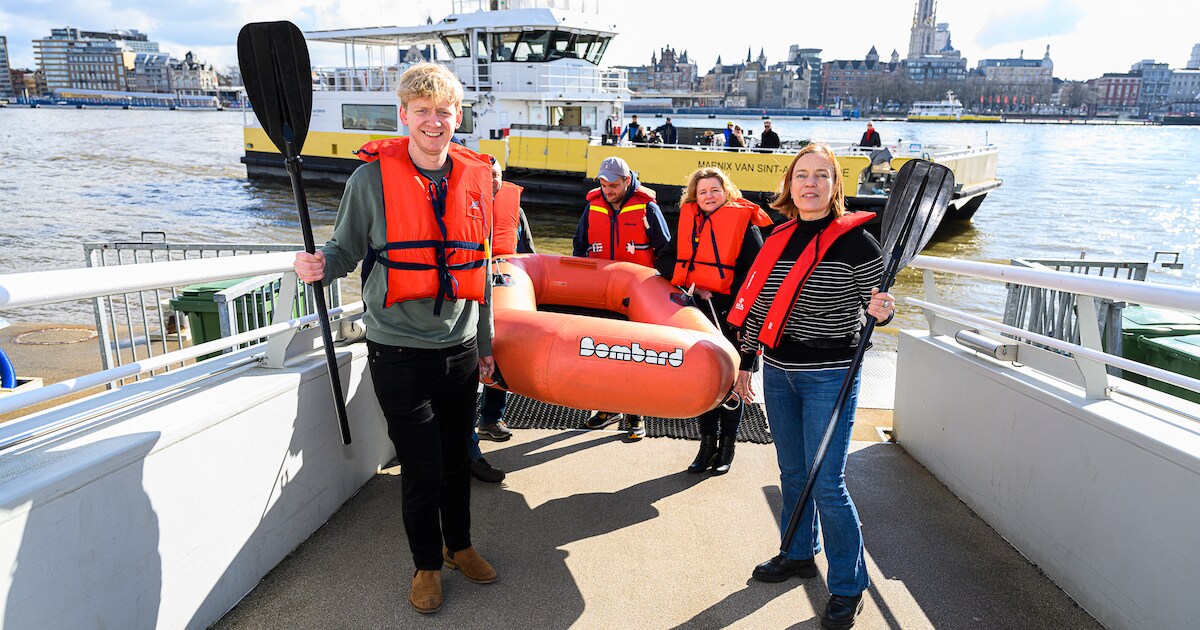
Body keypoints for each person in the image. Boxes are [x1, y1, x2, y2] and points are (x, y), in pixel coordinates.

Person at [292, 62, 499, 615]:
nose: (434, 122)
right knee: (422, 467)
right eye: (422, 111)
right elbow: (344, 250)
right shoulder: (369, 182)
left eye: (444, 112)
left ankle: (459, 546)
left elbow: (479, 270)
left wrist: (485, 344)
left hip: (460, 348)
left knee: (456, 459)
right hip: (399, 351)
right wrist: (319, 266)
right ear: (404, 115)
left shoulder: (479, 178)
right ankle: (426, 565)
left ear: (458, 116)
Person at [728, 142, 894, 630]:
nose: (810, 183)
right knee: (793, 471)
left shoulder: (858, 244)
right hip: (779, 371)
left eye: (822, 175)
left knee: (827, 483)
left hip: (830, 374)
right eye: (802, 174)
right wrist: (746, 362)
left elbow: (879, 307)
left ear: (835, 185)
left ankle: (848, 586)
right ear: (790, 184)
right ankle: (798, 552)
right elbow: (759, 306)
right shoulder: (777, 236)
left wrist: (884, 311)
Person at [655, 167, 772, 475]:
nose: (709, 196)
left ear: (726, 192)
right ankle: (706, 446)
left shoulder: (745, 226)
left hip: (736, 318)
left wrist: (725, 291)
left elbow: (758, 274)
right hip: (700, 314)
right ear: (695, 196)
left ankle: (727, 449)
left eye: (715, 190)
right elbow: (663, 260)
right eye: (703, 191)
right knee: (706, 381)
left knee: (733, 384)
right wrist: (695, 284)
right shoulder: (688, 224)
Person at [572, 156, 672, 441]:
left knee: (633, 356)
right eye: (603, 185)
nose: (607, 191)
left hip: (637, 296)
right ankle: (607, 408)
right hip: (601, 294)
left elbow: (665, 250)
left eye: (613, 185)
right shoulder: (592, 207)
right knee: (601, 353)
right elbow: (579, 246)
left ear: (627, 181)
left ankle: (634, 415)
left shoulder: (648, 208)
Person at [469, 157, 537, 483]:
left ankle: (491, 419)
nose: (493, 181)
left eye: (496, 175)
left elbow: (529, 252)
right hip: (472, 293)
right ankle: (467, 435)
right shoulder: (466, 206)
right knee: (469, 365)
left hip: (505, 291)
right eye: (488, 175)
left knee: (502, 357)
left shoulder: (516, 212)